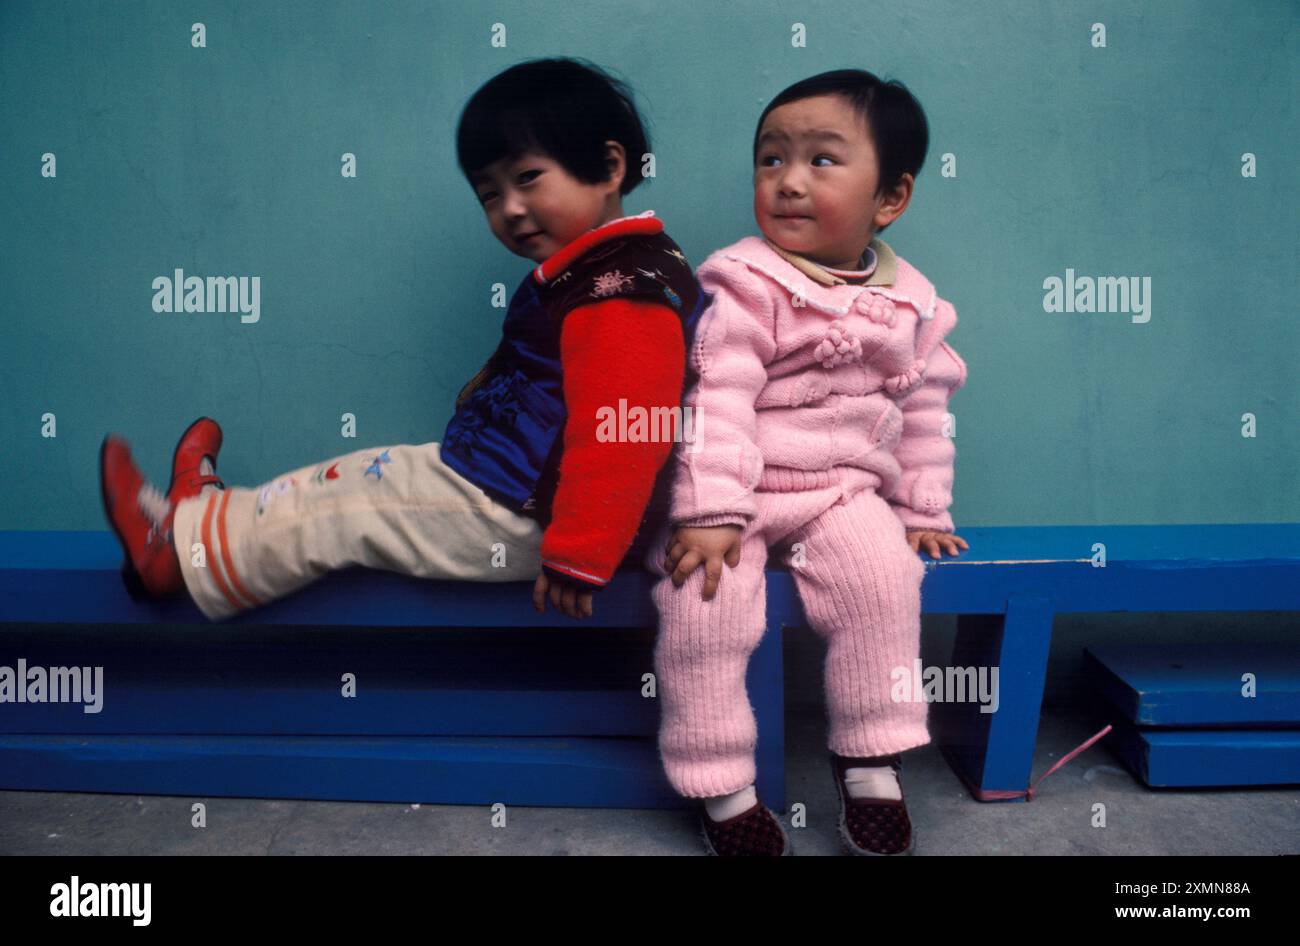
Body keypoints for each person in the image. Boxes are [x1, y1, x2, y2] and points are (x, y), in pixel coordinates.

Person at [100, 57, 705, 623]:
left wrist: (581, 552)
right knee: (355, 478)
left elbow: (624, 430)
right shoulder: (603, 269)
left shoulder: (620, 290)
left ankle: (174, 556)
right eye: (490, 194)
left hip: (530, 517)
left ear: (610, 167)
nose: (511, 209)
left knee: (346, 511)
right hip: (509, 485)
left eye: (527, 178)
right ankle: (197, 517)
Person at [644, 69, 970, 855]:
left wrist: (922, 508)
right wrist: (712, 514)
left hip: (839, 494)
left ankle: (870, 758)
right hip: (737, 492)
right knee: (704, 607)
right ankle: (718, 781)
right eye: (770, 159)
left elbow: (925, 408)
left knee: (885, 583)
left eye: (822, 161)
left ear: (889, 199)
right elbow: (715, 400)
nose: (788, 181)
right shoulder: (746, 285)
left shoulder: (914, 302)